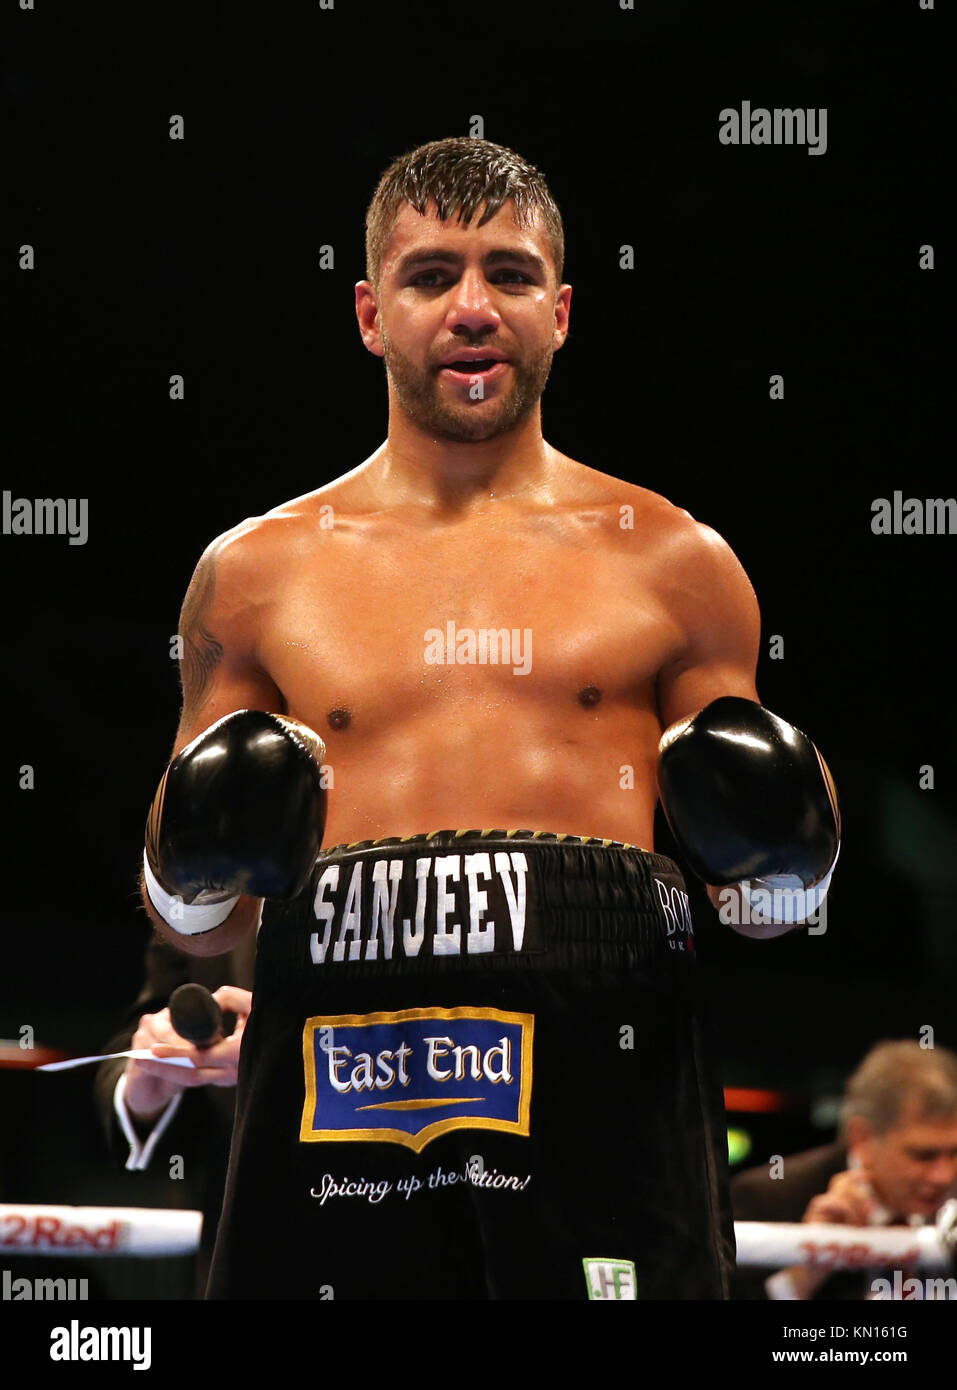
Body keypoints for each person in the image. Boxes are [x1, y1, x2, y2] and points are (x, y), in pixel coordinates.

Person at [137, 136, 840, 1299]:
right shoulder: (255, 572)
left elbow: (764, 905)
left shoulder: (676, 561)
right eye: (430, 277)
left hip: (599, 1021)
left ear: (561, 311)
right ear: (371, 312)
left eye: (509, 275)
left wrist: (790, 854)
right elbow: (199, 918)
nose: (472, 308)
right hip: (340, 1036)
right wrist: (192, 846)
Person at [731, 1040, 957, 1299]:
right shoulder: (770, 1197)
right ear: (862, 1139)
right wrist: (811, 1260)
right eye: (923, 1156)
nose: (945, 1175)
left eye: (954, 1153)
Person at [94, 934, 255, 1291]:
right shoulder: (195, 890)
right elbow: (143, 1028)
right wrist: (147, 1087)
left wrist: (291, 1045)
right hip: (238, 1253)